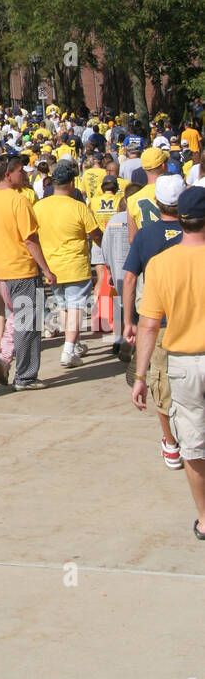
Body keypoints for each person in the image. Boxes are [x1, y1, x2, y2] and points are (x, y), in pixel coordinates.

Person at [133, 185, 205, 539]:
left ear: (180, 219)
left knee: (193, 442)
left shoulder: (160, 265)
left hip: (184, 363)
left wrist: (141, 375)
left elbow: (148, 325)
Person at [0, 155, 57, 390]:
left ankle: (4, 358)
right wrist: (46, 269)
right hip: (22, 270)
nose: (25, 175)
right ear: (9, 174)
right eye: (21, 171)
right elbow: (30, 239)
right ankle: (26, 376)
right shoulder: (19, 201)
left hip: (0, 271)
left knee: (17, 319)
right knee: (28, 325)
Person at [123, 174, 185, 470]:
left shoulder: (146, 236)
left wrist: (128, 320)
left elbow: (130, 278)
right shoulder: (195, 232)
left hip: (157, 320)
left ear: (157, 202)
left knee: (160, 385)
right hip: (190, 319)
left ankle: (171, 443)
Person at [35, 161, 102, 369]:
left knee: (64, 306)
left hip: (52, 266)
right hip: (75, 265)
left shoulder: (39, 207)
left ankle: (72, 343)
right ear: (71, 184)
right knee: (75, 307)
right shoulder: (79, 207)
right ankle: (69, 349)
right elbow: (96, 235)